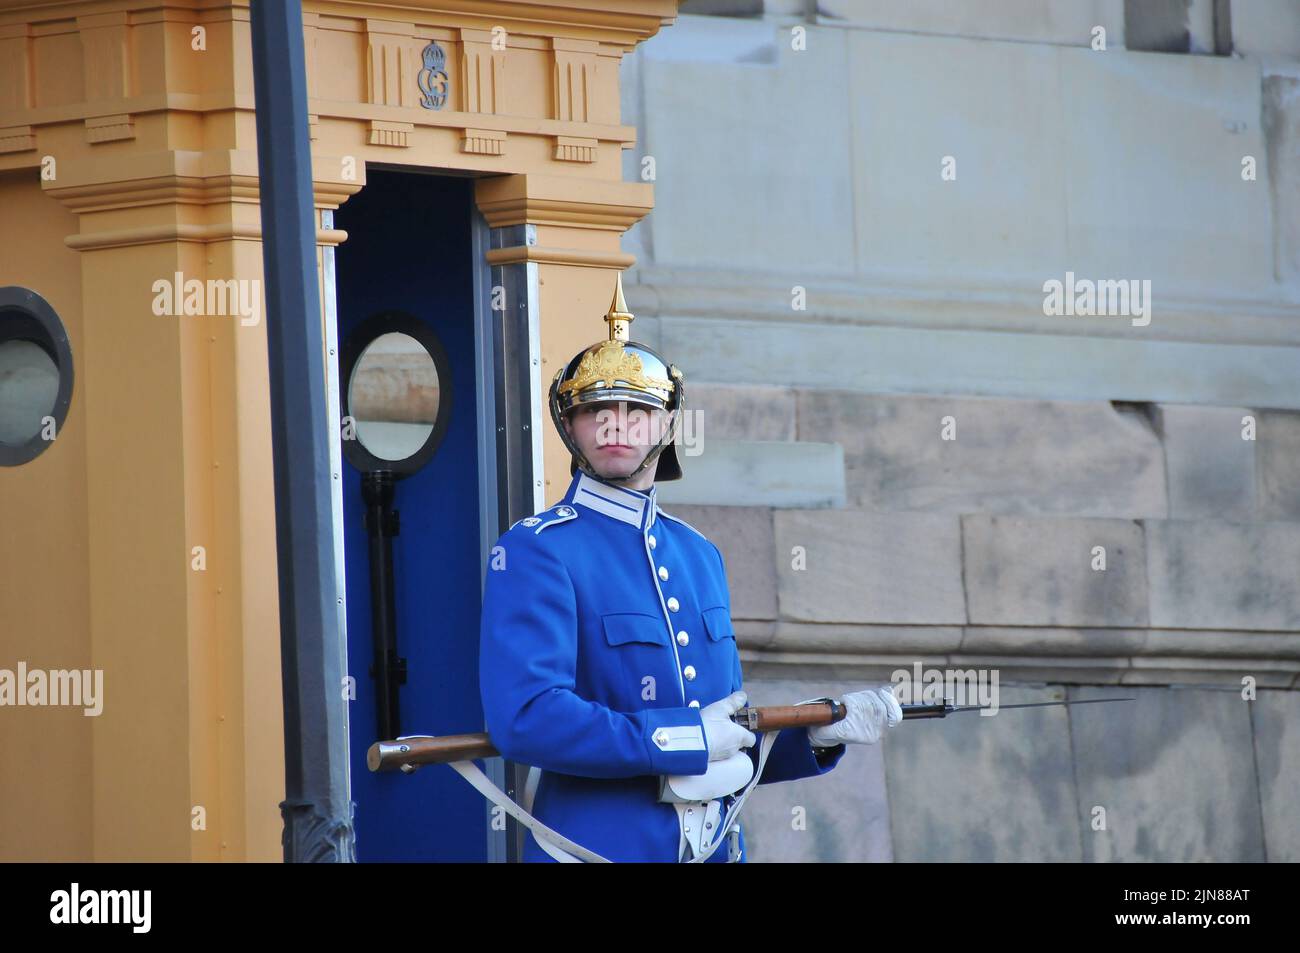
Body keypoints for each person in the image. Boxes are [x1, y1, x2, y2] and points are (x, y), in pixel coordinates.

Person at [478, 275, 902, 862]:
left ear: (668, 425)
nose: (616, 424)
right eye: (596, 409)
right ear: (570, 427)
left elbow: (725, 731)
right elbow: (527, 718)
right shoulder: (537, 549)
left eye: (637, 410)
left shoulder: (698, 553)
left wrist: (812, 734)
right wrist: (681, 738)